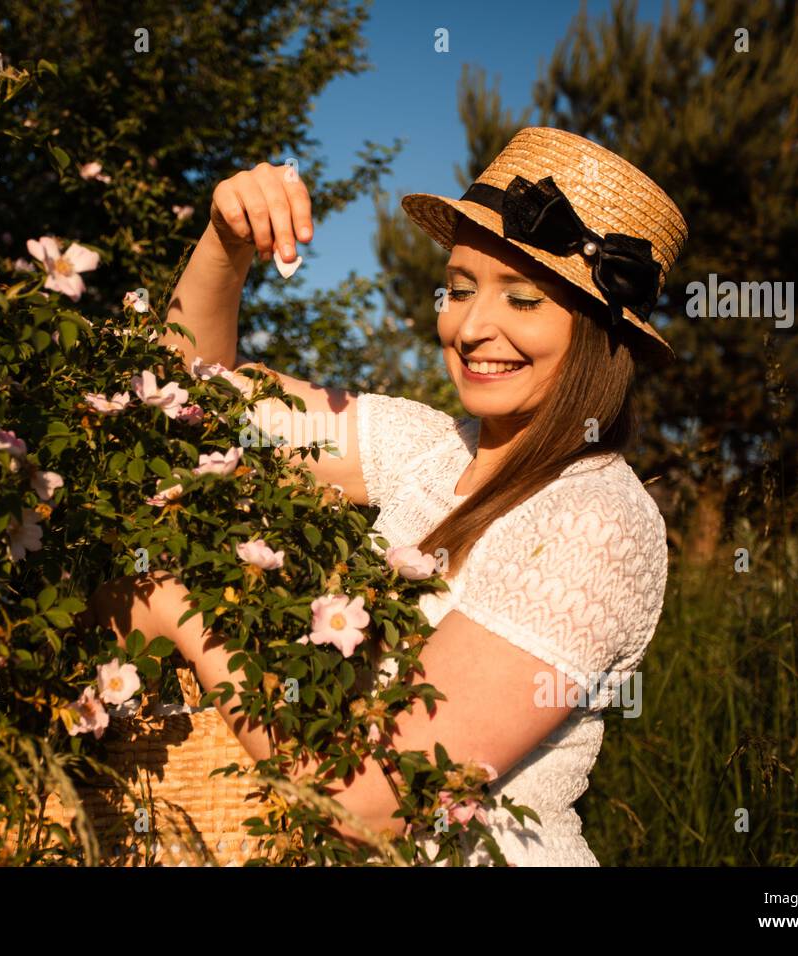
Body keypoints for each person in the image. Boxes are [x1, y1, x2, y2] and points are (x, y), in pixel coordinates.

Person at [93, 126, 689, 865]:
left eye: (523, 299)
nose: (471, 328)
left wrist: (183, 609)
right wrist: (225, 245)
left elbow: (367, 802)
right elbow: (184, 407)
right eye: (460, 287)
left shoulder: (596, 521)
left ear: (600, 328)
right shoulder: (431, 448)